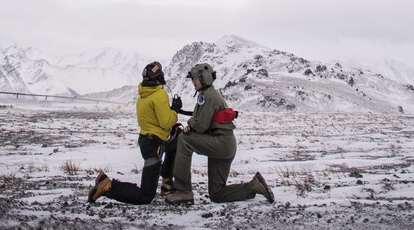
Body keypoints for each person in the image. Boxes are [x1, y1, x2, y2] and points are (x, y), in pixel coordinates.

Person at [165, 62, 274, 205]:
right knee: (217, 194)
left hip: (220, 143)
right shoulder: (209, 94)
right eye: (193, 80)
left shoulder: (207, 97)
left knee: (184, 139)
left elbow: (201, 125)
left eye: (195, 79)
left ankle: (184, 192)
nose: (193, 82)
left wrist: (189, 126)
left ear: (204, 78)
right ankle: (254, 186)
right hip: (224, 144)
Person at [88, 61, 182, 205]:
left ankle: (167, 183)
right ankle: (108, 186)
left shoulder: (143, 95)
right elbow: (166, 122)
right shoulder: (160, 94)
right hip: (154, 146)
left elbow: (155, 120)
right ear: (160, 77)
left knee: (176, 142)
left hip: (147, 141)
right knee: (145, 197)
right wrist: (175, 110)